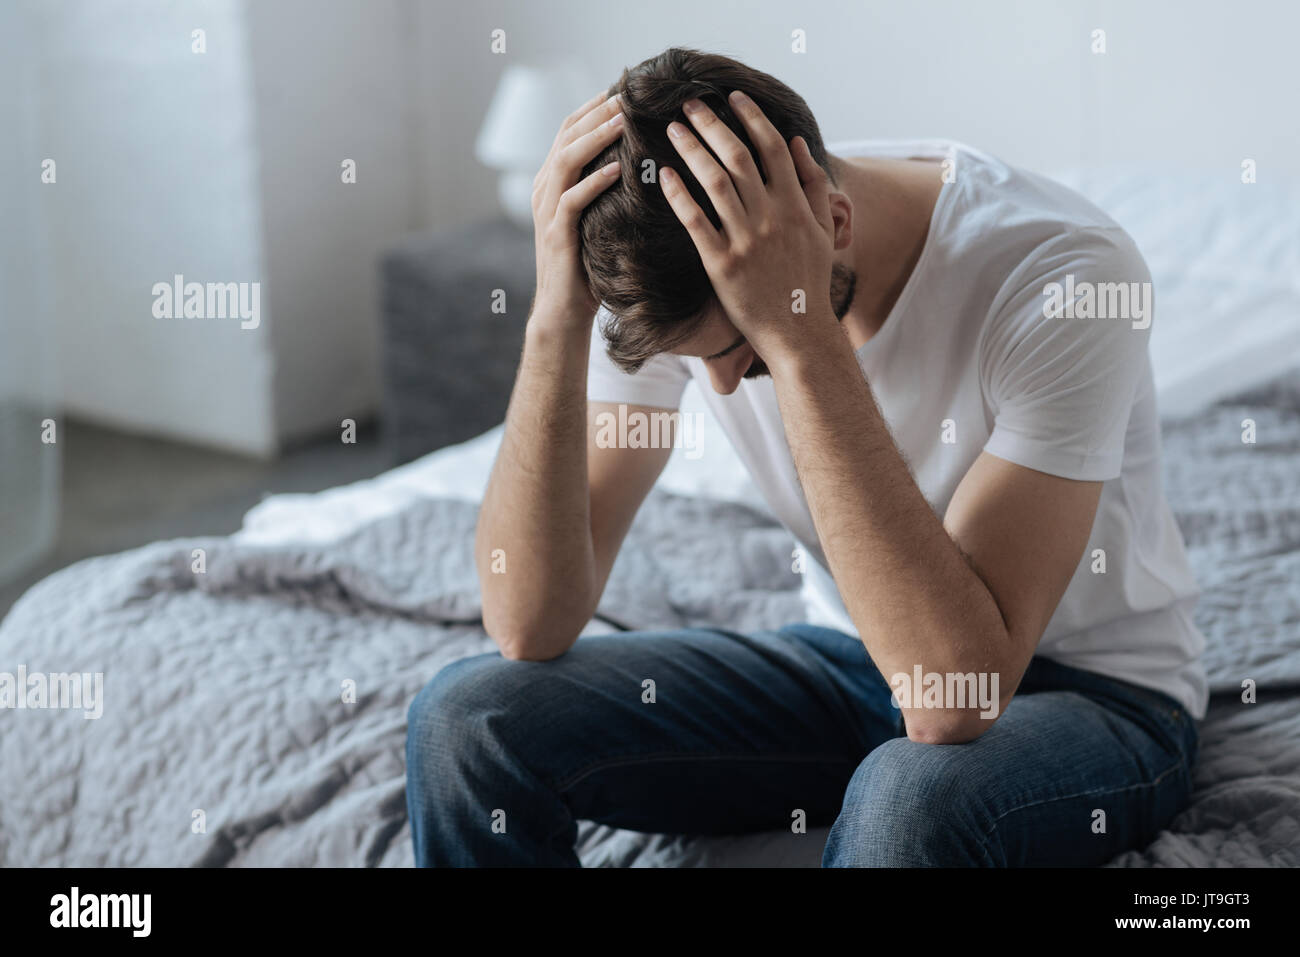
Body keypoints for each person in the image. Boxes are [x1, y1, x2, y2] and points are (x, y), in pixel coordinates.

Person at [406, 48, 1205, 867]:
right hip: (855, 665)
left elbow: (951, 699)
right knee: (468, 719)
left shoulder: (1063, 275)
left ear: (835, 224)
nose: (717, 387)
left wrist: (796, 339)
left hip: (1094, 695)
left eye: (737, 349)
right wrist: (555, 319)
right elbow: (528, 621)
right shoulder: (680, 263)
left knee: (912, 796)